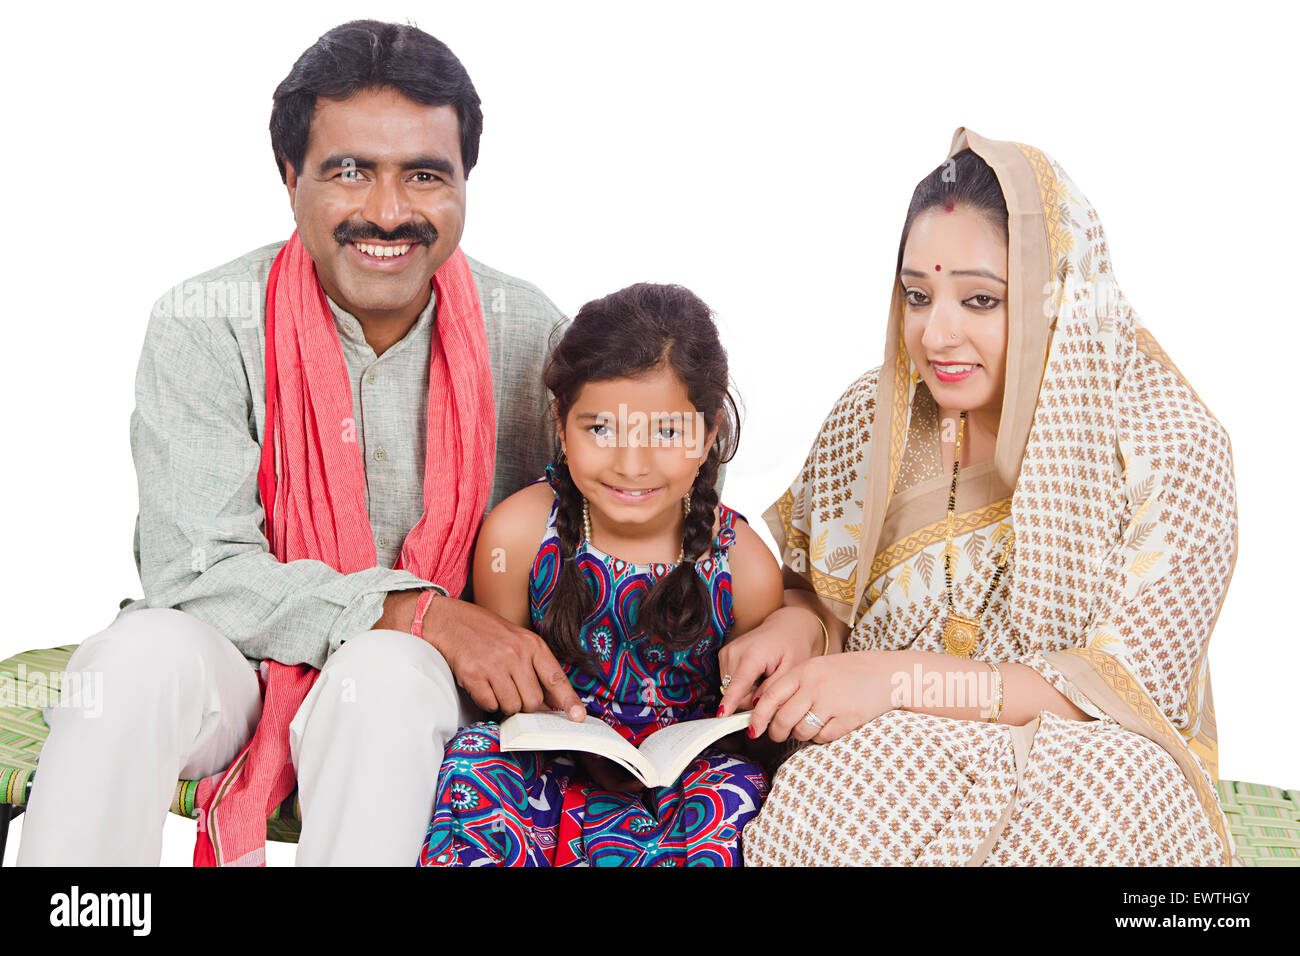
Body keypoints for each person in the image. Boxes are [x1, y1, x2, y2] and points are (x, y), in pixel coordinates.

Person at [17, 20, 594, 866]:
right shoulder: (207, 323)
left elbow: (606, 519)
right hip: (235, 664)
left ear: (467, 180)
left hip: (419, 690)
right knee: (134, 659)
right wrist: (415, 608)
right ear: (290, 178)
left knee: (387, 675)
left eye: (425, 175)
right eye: (349, 171)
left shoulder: (530, 334)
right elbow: (197, 571)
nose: (388, 212)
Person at [726, 129, 1239, 866]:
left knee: (1126, 792)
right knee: (821, 794)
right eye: (916, 296)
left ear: (1056, 292)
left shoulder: (1172, 448)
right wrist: (795, 631)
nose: (936, 335)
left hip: (1081, 764)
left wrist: (898, 680)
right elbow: (816, 592)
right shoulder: (876, 418)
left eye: (979, 299)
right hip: (892, 752)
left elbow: (1126, 691)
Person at [418, 283, 785, 866]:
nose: (631, 464)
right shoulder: (519, 536)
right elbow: (495, 678)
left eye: (667, 433)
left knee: (739, 790)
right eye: (600, 429)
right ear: (560, 425)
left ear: (708, 434)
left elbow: (749, 713)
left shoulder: (743, 564)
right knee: (477, 759)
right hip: (546, 764)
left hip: (683, 784)